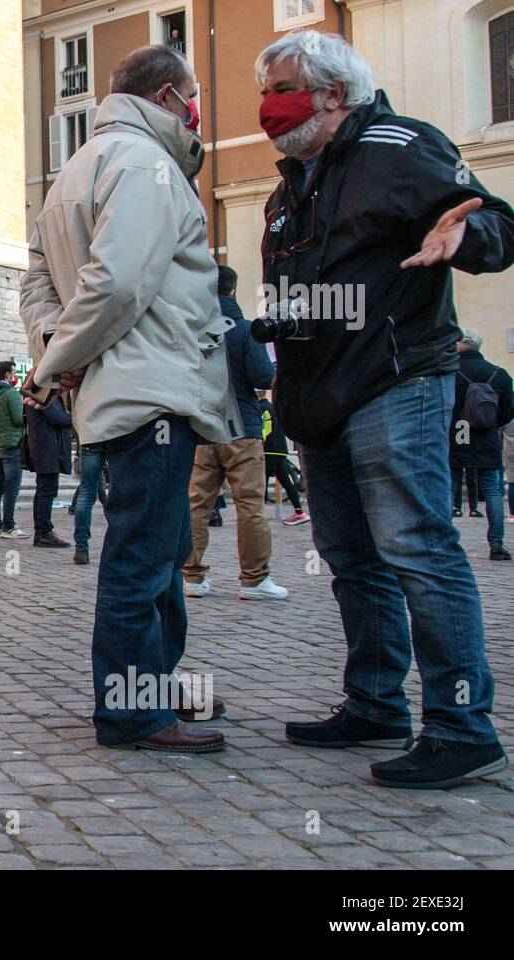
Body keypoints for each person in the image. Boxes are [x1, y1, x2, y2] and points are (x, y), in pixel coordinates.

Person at [255, 31, 514, 787]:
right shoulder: (288, 187)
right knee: (352, 560)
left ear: (332, 94)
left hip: (396, 380)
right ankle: (374, 701)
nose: (269, 106)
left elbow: (495, 223)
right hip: (317, 394)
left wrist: (464, 232)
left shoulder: (402, 147)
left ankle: (463, 727)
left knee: (418, 550)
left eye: (282, 88)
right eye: (265, 92)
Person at [20, 44, 238, 753]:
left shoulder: (72, 173)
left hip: (122, 394)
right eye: (194, 97)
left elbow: (38, 287)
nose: (197, 112)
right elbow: (119, 285)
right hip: (152, 391)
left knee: (160, 547)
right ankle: (132, 710)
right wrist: (62, 360)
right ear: (169, 97)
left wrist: (61, 351)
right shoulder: (147, 166)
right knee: (143, 556)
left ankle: (156, 689)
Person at [183, 265, 286, 601]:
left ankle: (191, 576)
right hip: (242, 426)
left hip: (202, 430)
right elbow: (262, 377)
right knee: (250, 506)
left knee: (196, 504)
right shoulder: (245, 330)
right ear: (232, 290)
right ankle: (254, 580)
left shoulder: (191, 331)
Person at [449, 330, 514, 559]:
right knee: (493, 490)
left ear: (460, 345)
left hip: (459, 432)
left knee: (450, 485)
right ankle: (496, 544)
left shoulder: (451, 372)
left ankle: (443, 544)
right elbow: (508, 413)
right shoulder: (499, 374)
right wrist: (490, 424)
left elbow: (444, 407)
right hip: (486, 435)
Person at [0, 360, 27, 539]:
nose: (15, 376)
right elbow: (19, 419)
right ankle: (9, 526)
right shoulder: (12, 394)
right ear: (8, 375)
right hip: (12, 446)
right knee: (11, 487)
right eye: (14, 372)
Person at [24, 394, 71, 547]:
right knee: (47, 491)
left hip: (44, 446)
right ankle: (44, 532)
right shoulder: (43, 392)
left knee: (44, 490)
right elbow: (58, 418)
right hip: (47, 448)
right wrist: (74, 417)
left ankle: (42, 531)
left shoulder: (37, 391)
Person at [258, 392, 308, 525]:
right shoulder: (273, 406)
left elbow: (265, 429)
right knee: (286, 481)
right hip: (280, 449)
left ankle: (259, 515)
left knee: (262, 481)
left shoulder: (262, 408)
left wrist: (260, 442)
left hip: (269, 450)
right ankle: (299, 512)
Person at [71, 445, 106, 565]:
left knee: (85, 495)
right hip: (114, 436)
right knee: (120, 490)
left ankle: (81, 549)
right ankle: (121, 544)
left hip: (90, 439)